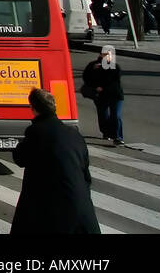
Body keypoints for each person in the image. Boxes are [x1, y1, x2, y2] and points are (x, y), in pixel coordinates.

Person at [11, 88, 100, 234]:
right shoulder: (74, 134)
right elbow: (85, 172)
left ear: (33, 108)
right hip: (80, 204)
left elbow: (20, 158)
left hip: (50, 206)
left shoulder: (36, 131)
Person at [82, 45, 124, 144]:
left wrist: (103, 86)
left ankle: (118, 137)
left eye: (110, 55)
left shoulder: (115, 67)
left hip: (115, 95)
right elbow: (86, 78)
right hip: (100, 96)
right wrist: (93, 70)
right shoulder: (93, 65)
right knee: (103, 115)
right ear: (101, 55)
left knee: (116, 115)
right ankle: (106, 132)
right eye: (105, 55)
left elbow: (114, 81)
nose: (108, 57)